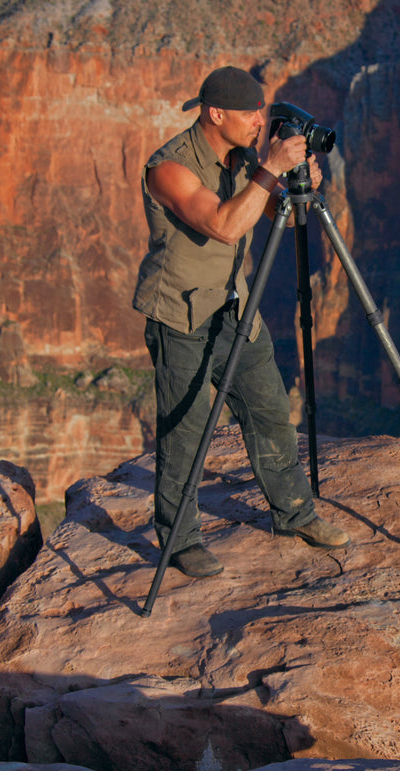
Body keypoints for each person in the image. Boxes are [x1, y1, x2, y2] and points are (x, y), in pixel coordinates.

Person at [133, 65, 350, 578]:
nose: (260, 120)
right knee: (185, 429)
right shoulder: (168, 168)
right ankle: (180, 541)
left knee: (270, 407)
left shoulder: (243, 158)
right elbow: (224, 225)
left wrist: (295, 185)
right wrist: (271, 167)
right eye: (250, 112)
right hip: (180, 315)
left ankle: (293, 513)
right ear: (216, 114)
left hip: (234, 308)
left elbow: (276, 217)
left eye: (261, 110)